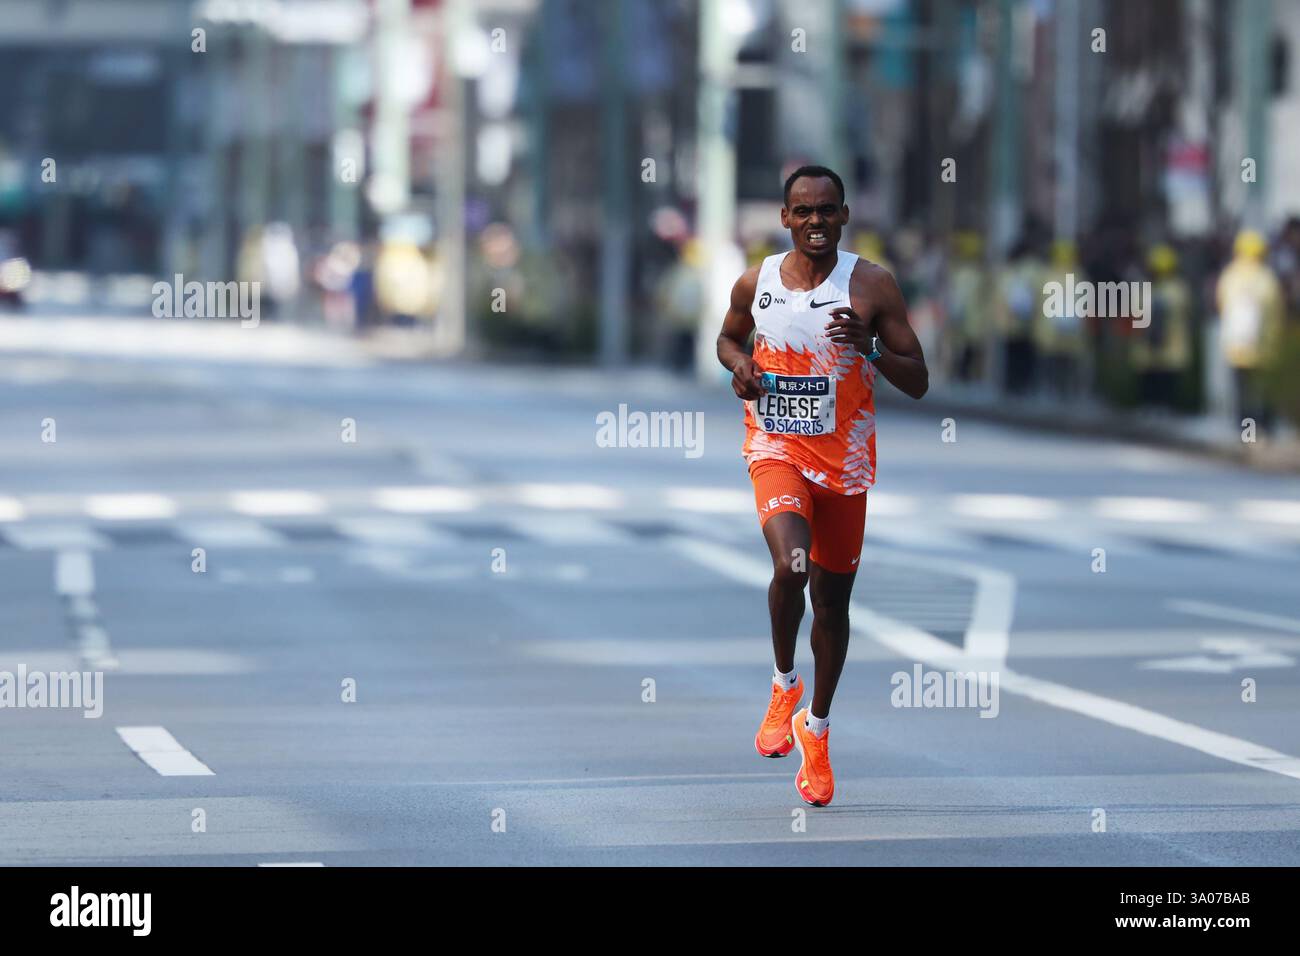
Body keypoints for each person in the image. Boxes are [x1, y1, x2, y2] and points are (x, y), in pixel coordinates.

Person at [715, 165, 928, 807]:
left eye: (826, 210)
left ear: (843, 215)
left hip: (846, 464)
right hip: (775, 446)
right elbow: (726, 339)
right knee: (791, 564)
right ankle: (784, 685)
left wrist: (868, 350)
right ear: (784, 218)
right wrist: (742, 367)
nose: (814, 221)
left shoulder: (872, 285)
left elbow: (918, 378)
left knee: (832, 607)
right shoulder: (758, 282)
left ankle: (818, 729)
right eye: (802, 211)